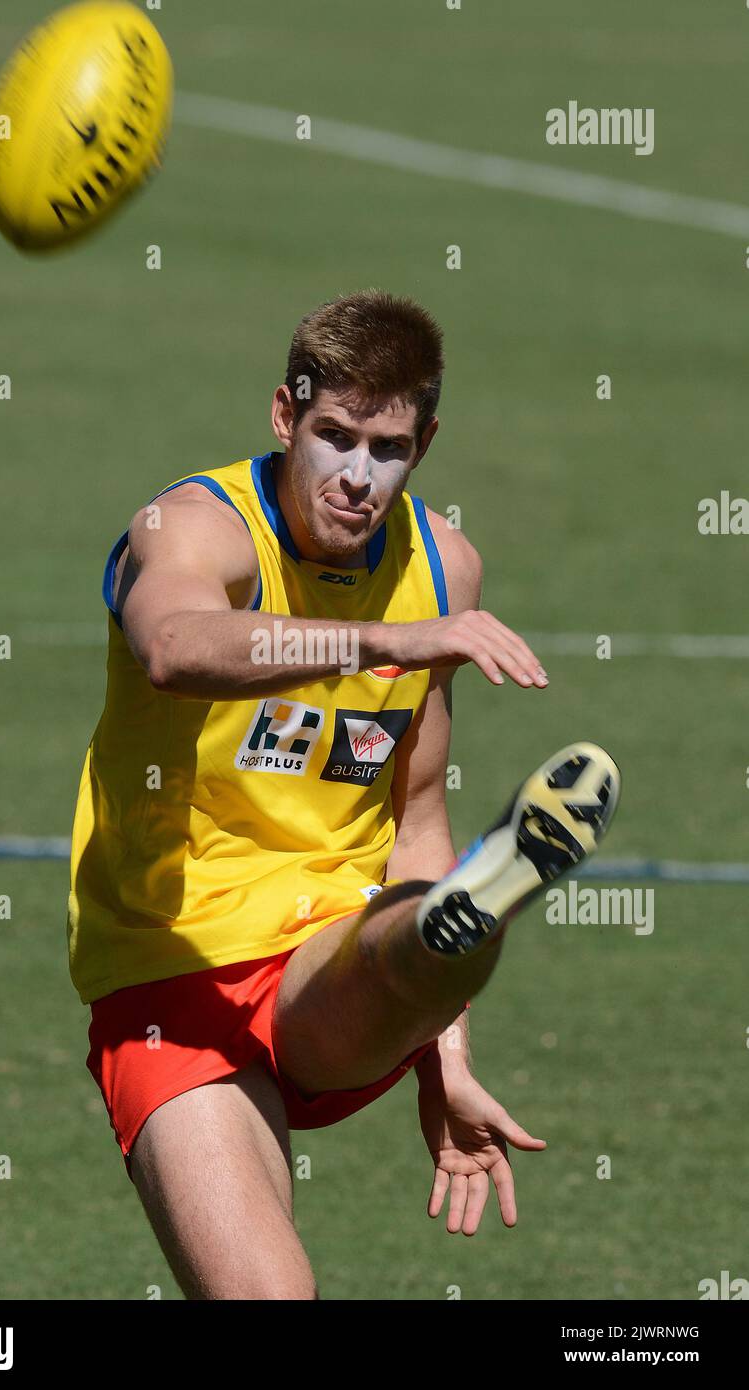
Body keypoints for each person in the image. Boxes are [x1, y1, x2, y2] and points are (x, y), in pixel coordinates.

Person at [67, 289, 619, 1299]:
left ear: (426, 441)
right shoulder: (196, 529)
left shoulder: (440, 567)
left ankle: (452, 942)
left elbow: (414, 818)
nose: (358, 477)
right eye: (335, 437)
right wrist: (381, 642)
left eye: (390, 447)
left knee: (416, 918)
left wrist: (443, 1054)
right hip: (167, 979)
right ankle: (439, 946)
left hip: (329, 951)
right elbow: (175, 649)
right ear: (285, 416)